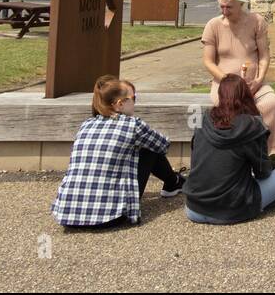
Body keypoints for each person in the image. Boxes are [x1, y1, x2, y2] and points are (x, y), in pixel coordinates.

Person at [50, 75, 186, 228]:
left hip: (67, 214)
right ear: (120, 104)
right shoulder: (133, 124)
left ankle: (173, 182)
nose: (135, 102)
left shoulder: (86, 124)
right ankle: (173, 183)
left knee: (140, 146)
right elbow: (163, 145)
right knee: (149, 148)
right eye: (133, 98)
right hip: (110, 216)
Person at [201, 0, 275, 157]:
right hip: (224, 86)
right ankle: (237, 152)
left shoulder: (256, 22)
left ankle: (267, 151)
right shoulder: (213, 25)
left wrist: (258, 79)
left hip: (253, 85)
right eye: (222, 6)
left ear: (241, 5)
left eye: (229, 7)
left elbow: (264, 55)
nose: (224, 11)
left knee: (270, 103)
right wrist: (226, 80)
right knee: (226, 108)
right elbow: (208, 61)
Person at [183, 74, 275, 225]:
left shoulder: (205, 119)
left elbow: (197, 159)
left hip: (194, 209)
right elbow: (263, 173)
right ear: (246, 95)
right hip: (231, 210)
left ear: (220, 95)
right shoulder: (252, 126)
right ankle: (265, 200)